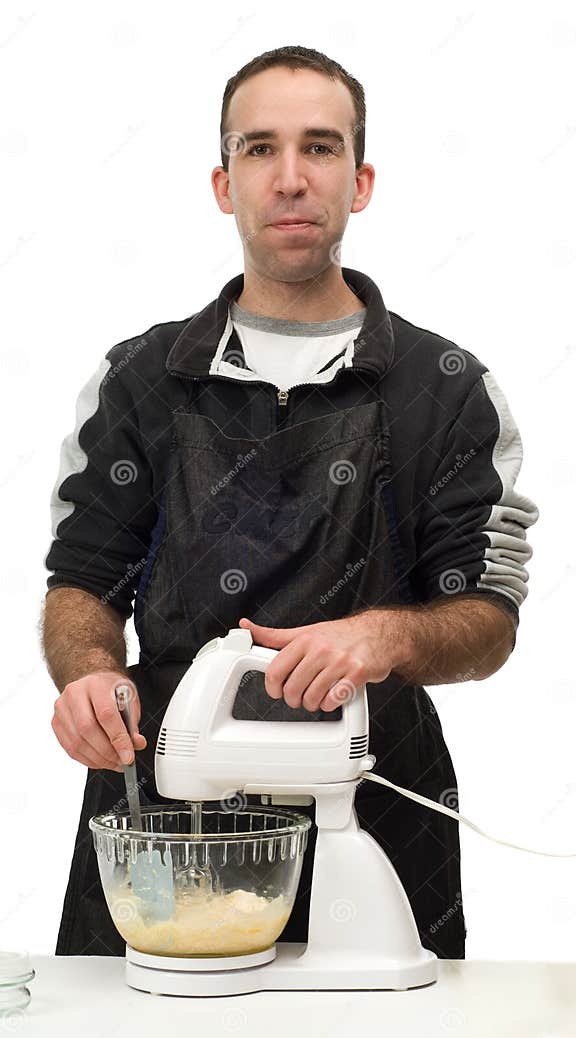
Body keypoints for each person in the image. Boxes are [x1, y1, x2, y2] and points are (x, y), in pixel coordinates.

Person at [41, 45, 539, 960]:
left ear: (362, 178)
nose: (291, 177)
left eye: (320, 147)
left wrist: (383, 637)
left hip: (381, 798)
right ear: (224, 182)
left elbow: (488, 618)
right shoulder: (142, 382)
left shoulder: (447, 389)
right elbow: (81, 582)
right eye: (260, 149)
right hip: (163, 803)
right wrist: (83, 673)